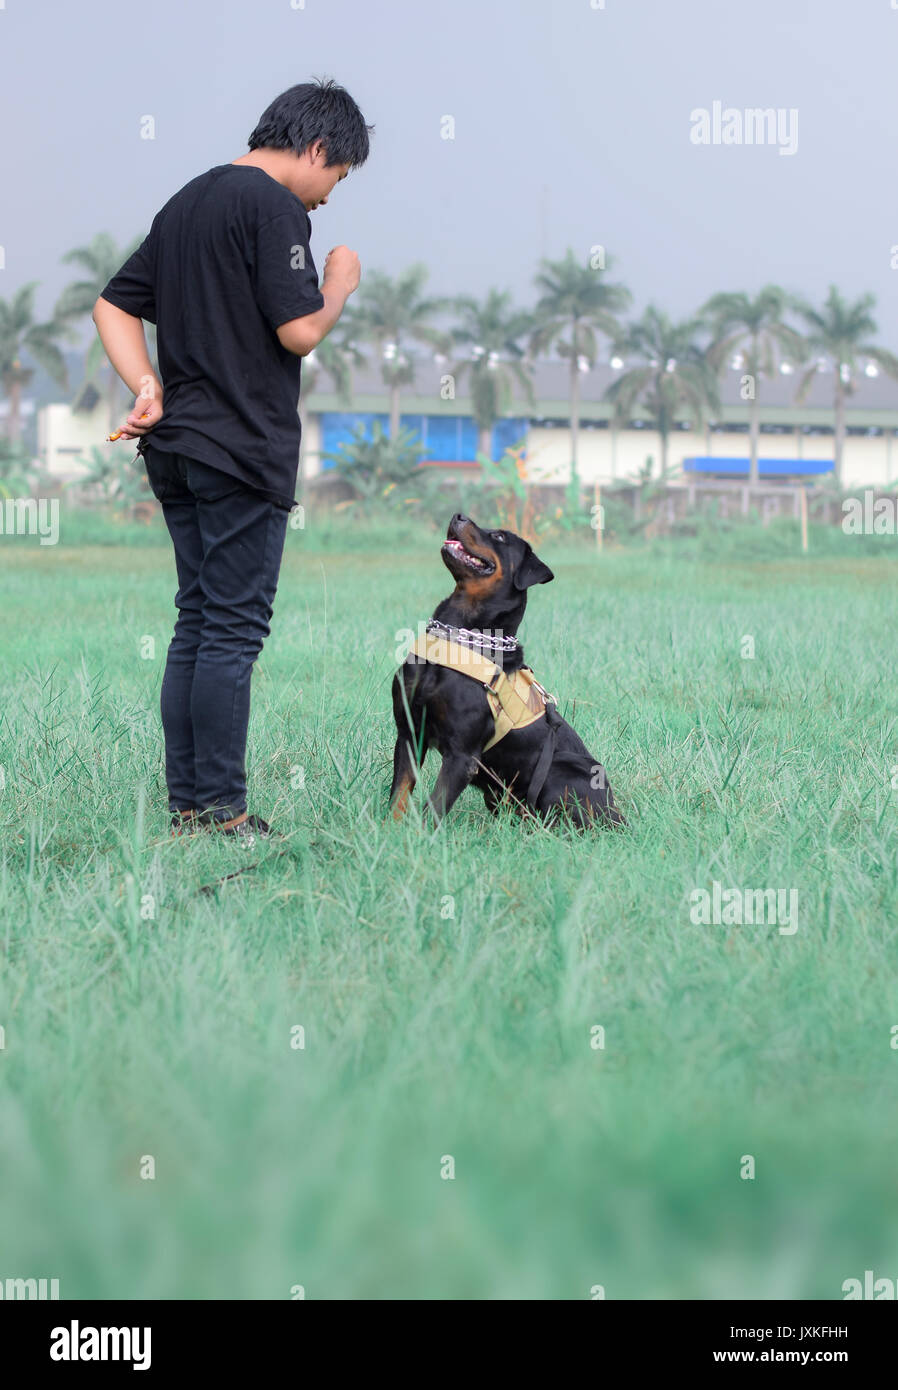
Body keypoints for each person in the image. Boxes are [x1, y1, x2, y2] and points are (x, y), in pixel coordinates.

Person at [93, 78, 372, 841]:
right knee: (231, 631)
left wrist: (145, 383)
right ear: (316, 149)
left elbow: (112, 305)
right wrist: (338, 286)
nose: (325, 201)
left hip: (176, 446)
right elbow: (299, 332)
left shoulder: (187, 200)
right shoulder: (271, 205)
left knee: (198, 621)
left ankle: (192, 807)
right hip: (239, 449)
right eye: (336, 178)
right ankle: (220, 814)